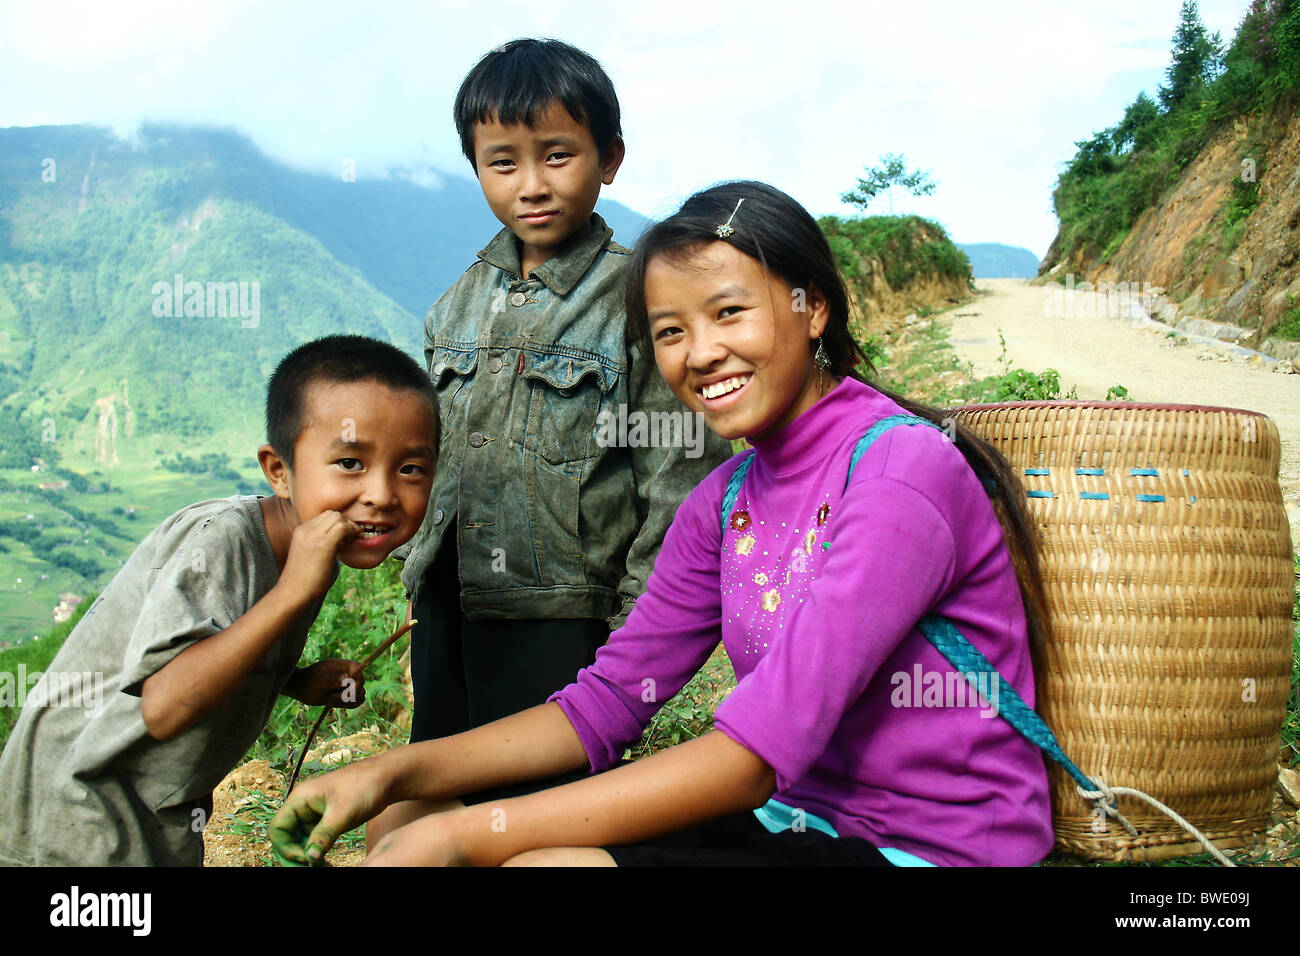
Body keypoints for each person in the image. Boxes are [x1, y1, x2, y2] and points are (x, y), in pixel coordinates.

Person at [270, 182, 1055, 867]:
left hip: (923, 848)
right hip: (791, 821)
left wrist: (479, 835)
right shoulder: (725, 498)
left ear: (810, 306)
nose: (701, 353)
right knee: (408, 822)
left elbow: (753, 757)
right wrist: (392, 774)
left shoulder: (897, 475)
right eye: (671, 332)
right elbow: (607, 702)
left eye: (729, 313)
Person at [376, 39, 731, 844]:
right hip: (453, 603)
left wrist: (639, 630)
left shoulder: (640, 295)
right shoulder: (456, 302)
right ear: (475, 168)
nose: (531, 185)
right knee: (439, 781)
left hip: (566, 616)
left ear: (608, 159)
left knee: (540, 822)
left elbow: (680, 477)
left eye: (558, 155)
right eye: (502, 163)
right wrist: (417, 578)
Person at [0, 334, 439, 866]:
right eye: (349, 462)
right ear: (280, 471)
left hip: (155, 807)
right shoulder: (224, 542)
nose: (382, 493)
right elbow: (164, 707)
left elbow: (223, 646)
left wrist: (296, 681)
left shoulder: (306, 546)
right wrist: (291, 594)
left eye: (411, 468)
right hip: (81, 811)